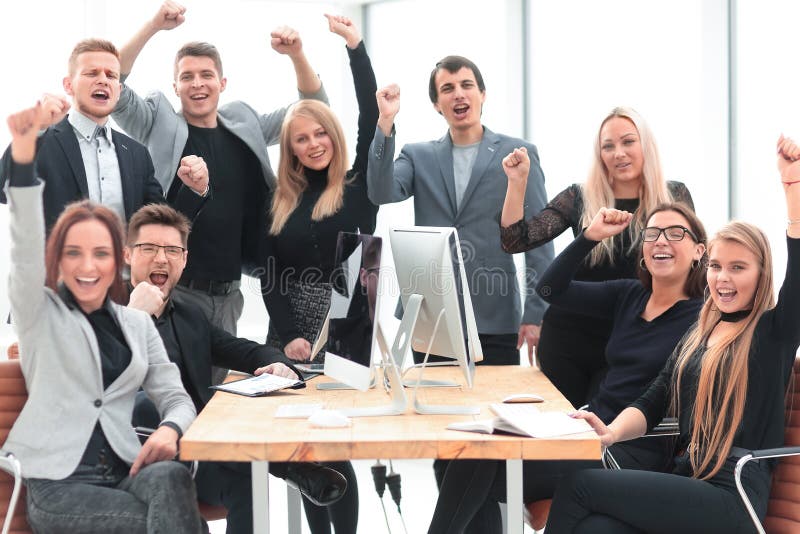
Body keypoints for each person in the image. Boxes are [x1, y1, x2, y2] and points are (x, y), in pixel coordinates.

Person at [544, 137, 800, 533]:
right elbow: (654, 399)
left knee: (580, 486)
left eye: (738, 268)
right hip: (687, 478)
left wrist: (792, 191)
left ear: (762, 274)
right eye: (717, 266)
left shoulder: (772, 332)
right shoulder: (699, 333)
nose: (723, 278)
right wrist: (612, 433)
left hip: (733, 492)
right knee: (597, 528)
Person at [429, 187, 707, 533]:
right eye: (652, 233)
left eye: (675, 233)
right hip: (583, 430)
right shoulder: (630, 294)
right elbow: (549, 289)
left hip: (629, 451)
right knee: (475, 454)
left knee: (478, 465)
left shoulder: (703, 318)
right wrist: (589, 237)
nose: (661, 241)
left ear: (699, 250)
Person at [370, 56, 553, 531]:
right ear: (436, 103)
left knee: (490, 441)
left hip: (495, 317)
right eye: (447, 88)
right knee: (445, 442)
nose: (458, 94)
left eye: (466, 85)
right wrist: (384, 125)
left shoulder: (518, 153)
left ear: (482, 94)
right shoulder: (418, 155)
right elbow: (380, 191)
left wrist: (535, 311)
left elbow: (538, 237)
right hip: (430, 318)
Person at [2, 102, 201, 533]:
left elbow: (177, 397)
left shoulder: (136, 324)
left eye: (101, 253)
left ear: (120, 260)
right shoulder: (40, 313)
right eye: (73, 253)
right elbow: (24, 243)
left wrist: (169, 429)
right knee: (170, 523)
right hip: (60, 487)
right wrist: (24, 151)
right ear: (57, 259)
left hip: (124, 472)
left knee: (172, 477)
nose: (88, 266)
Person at [112, 1, 329, 352]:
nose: (197, 84)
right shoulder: (158, 121)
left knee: (216, 385)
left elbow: (314, 111)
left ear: (222, 82)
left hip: (229, 295)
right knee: (170, 382)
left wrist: (297, 55)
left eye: (206, 75)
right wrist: (153, 26)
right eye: (187, 77)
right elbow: (113, 83)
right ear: (175, 85)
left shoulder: (244, 122)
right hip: (174, 291)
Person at [124, 203, 347, 534]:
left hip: (194, 454)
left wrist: (279, 364)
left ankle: (282, 466)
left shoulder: (188, 316)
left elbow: (245, 351)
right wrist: (135, 316)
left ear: (184, 260)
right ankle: (288, 468)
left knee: (248, 480)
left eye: (172, 250)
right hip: (132, 459)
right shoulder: (106, 312)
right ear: (127, 254)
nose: (161, 259)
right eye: (149, 249)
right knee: (147, 406)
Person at [259, 14, 377, 534]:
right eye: (301, 138)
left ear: (333, 135)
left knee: (332, 445)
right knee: (301, 447)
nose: (313, 144)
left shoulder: (358, 187)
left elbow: (371, 114)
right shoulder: (279, 201)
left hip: (346, 327)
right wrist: (289, 335)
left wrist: (355, 46)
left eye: (320, 133)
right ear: (290, 148)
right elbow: (269, 277)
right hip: (289, 330)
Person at [500, 106, 694, 409]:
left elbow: (692, 267)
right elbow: (515, 240)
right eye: (608, 146)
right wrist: (517, 182)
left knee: (604, 432)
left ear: (646, 145)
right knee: (561, 432)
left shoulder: (673, 196)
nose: (619, 153)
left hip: (629, 344)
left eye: (628, 142)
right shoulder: (580, 197)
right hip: (567, 340)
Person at [0, 38, 169, 232]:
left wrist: (193, 190)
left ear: (118, 90)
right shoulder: (42, 141)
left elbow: (163, 223)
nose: (103, 80)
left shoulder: (138, 153)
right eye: (92, 73)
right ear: (68, 85)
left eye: (111, 75)